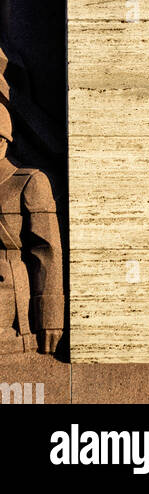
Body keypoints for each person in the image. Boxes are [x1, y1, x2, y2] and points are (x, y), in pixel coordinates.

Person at [0, 103, 64, 354]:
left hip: (8, 290)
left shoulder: (29, 181)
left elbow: (47, 250)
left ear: (3, 142)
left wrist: (50, 317)